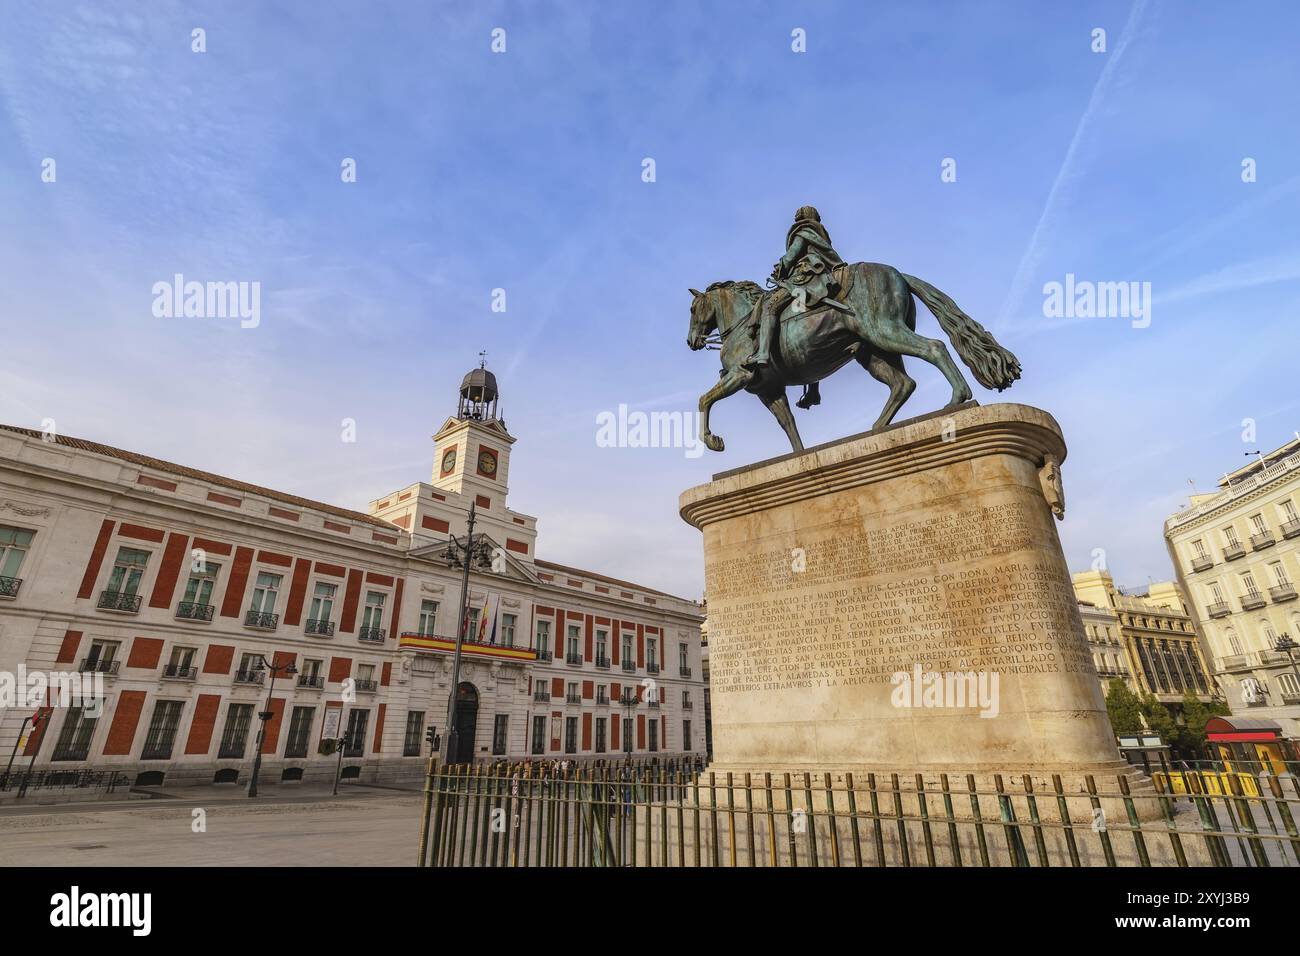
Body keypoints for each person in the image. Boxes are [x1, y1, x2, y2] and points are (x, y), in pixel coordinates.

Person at [747, 205, 850, 375]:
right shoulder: (821, 234)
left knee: (769, 307)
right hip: (820, 278)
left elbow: (792, 256)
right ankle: (812, 389)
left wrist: (780, 268)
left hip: (802, 280)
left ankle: (763, 353)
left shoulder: (804, 231)